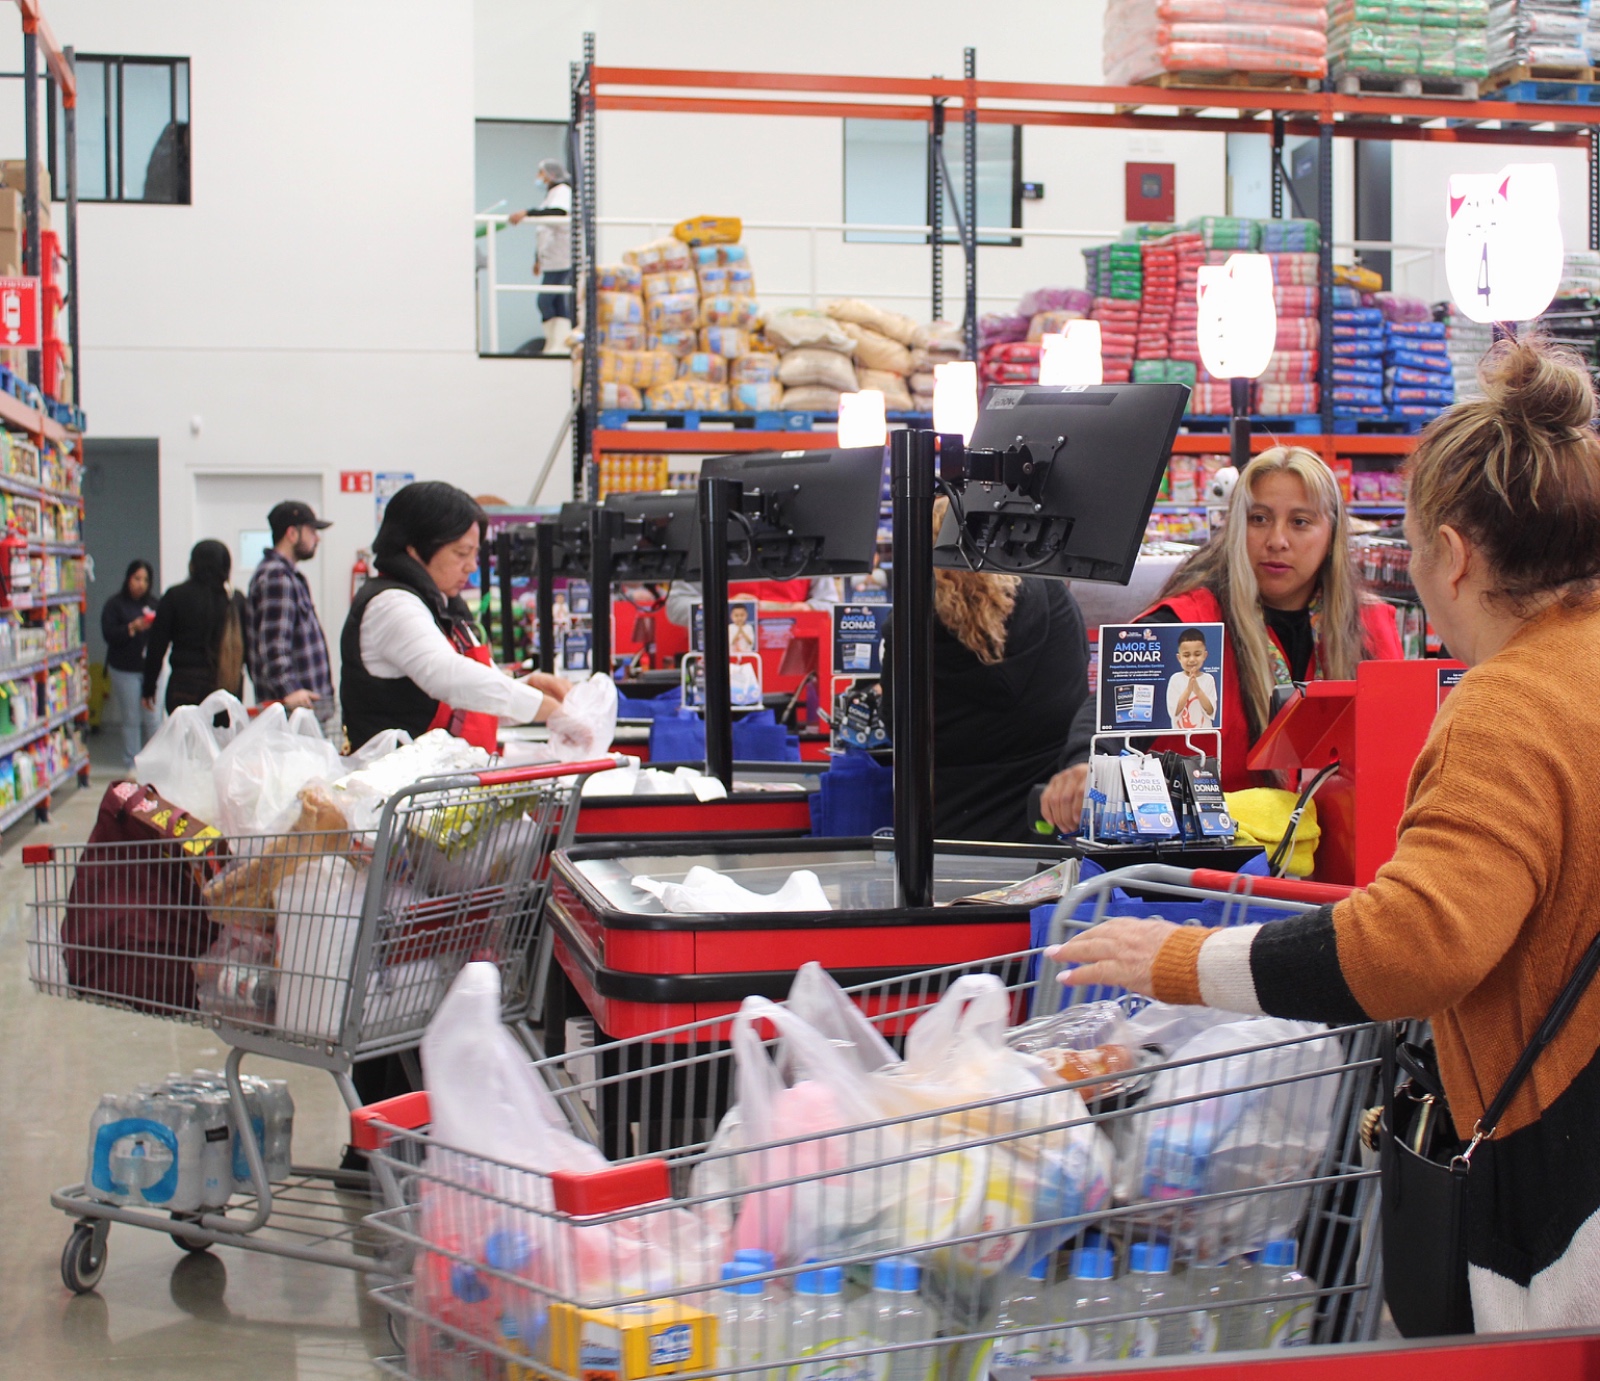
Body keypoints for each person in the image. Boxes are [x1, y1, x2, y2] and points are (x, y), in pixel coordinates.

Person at [1050, 338, 1600, 1333]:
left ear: (1455, 554)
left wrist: (1176, 959)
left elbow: (1415, 943)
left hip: (1563, 1181)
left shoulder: (1508, 704)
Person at [1039, 445, 1404, 831]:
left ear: (1331, 532)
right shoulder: (1186, 624)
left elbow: (1397, 744)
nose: (1277, 540)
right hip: (1202, 866)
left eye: (1300, 522)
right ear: (1234, 527)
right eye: (1259, 518)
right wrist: (1084, 767)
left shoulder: (1368, 625)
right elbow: (1110, 715)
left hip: (1341, 861)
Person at [884, 498, 1093, 842]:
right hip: (1048, 827)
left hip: (946, 837)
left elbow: (900, 730)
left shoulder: (907, 627)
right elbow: (1079, 686)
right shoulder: (1052, 598)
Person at [340, 480, 570, 753]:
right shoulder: (391, 605)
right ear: (413, 549)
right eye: (461, 553)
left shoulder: (442, 605)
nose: (471, 566)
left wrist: (527, 687)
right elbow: (447, 676)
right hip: (397, 785)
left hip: (441, 782)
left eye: (475, 553)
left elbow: (476, 701)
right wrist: (540, 706)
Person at [247, 500, 337, 736]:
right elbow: (273, 645)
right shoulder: (277, 576)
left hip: (301, 712)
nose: (317, 538)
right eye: (312, 531)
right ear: (291, 533)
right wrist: (290, 690)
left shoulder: (288, 575)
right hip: (293, 714)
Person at [142, 540, 248, 713]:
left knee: (187, 739)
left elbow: (156, 645)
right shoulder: (235, 600)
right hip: (227, 687)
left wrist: (149, 687)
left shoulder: (174, 596)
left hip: (184, 686)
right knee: (223, 740)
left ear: (192, 565)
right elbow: (249, 649)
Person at [506, 159, 572, 352]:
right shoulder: (551, 194)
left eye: (541, 174)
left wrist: (527, 212)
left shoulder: (562, 192)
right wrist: (537, 259)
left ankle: (558, 343)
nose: (538, 178)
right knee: (556, 302)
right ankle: (556, 344)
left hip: (562, 259)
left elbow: (557, 213)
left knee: (546, 301)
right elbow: (544, 230)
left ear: (551, 175)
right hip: (550, 260)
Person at [100, 559, 159, 770]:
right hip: (124, 669)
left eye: (145, 579)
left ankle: (155, 762)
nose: (141, 584)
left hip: (149, 669)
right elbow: (109, 635)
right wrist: (131, 628)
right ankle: (132, 763)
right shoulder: (115, 605)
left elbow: (162, 635)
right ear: (128, 579)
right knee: (131, 718)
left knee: (153, 717)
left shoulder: (154, 604)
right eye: (137, 578)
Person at [1167, 627, 1217, 730]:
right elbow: (1174, 712)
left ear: (1205, 655)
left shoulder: (1208, 679)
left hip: (1204, 736)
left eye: (1197, 654)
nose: (1192, 659)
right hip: (1180, 736)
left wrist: (1197, 690)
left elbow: (1210, 711)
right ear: (1179, 658)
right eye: (1186, 655)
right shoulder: (1175, 679)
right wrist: (1189, 689)